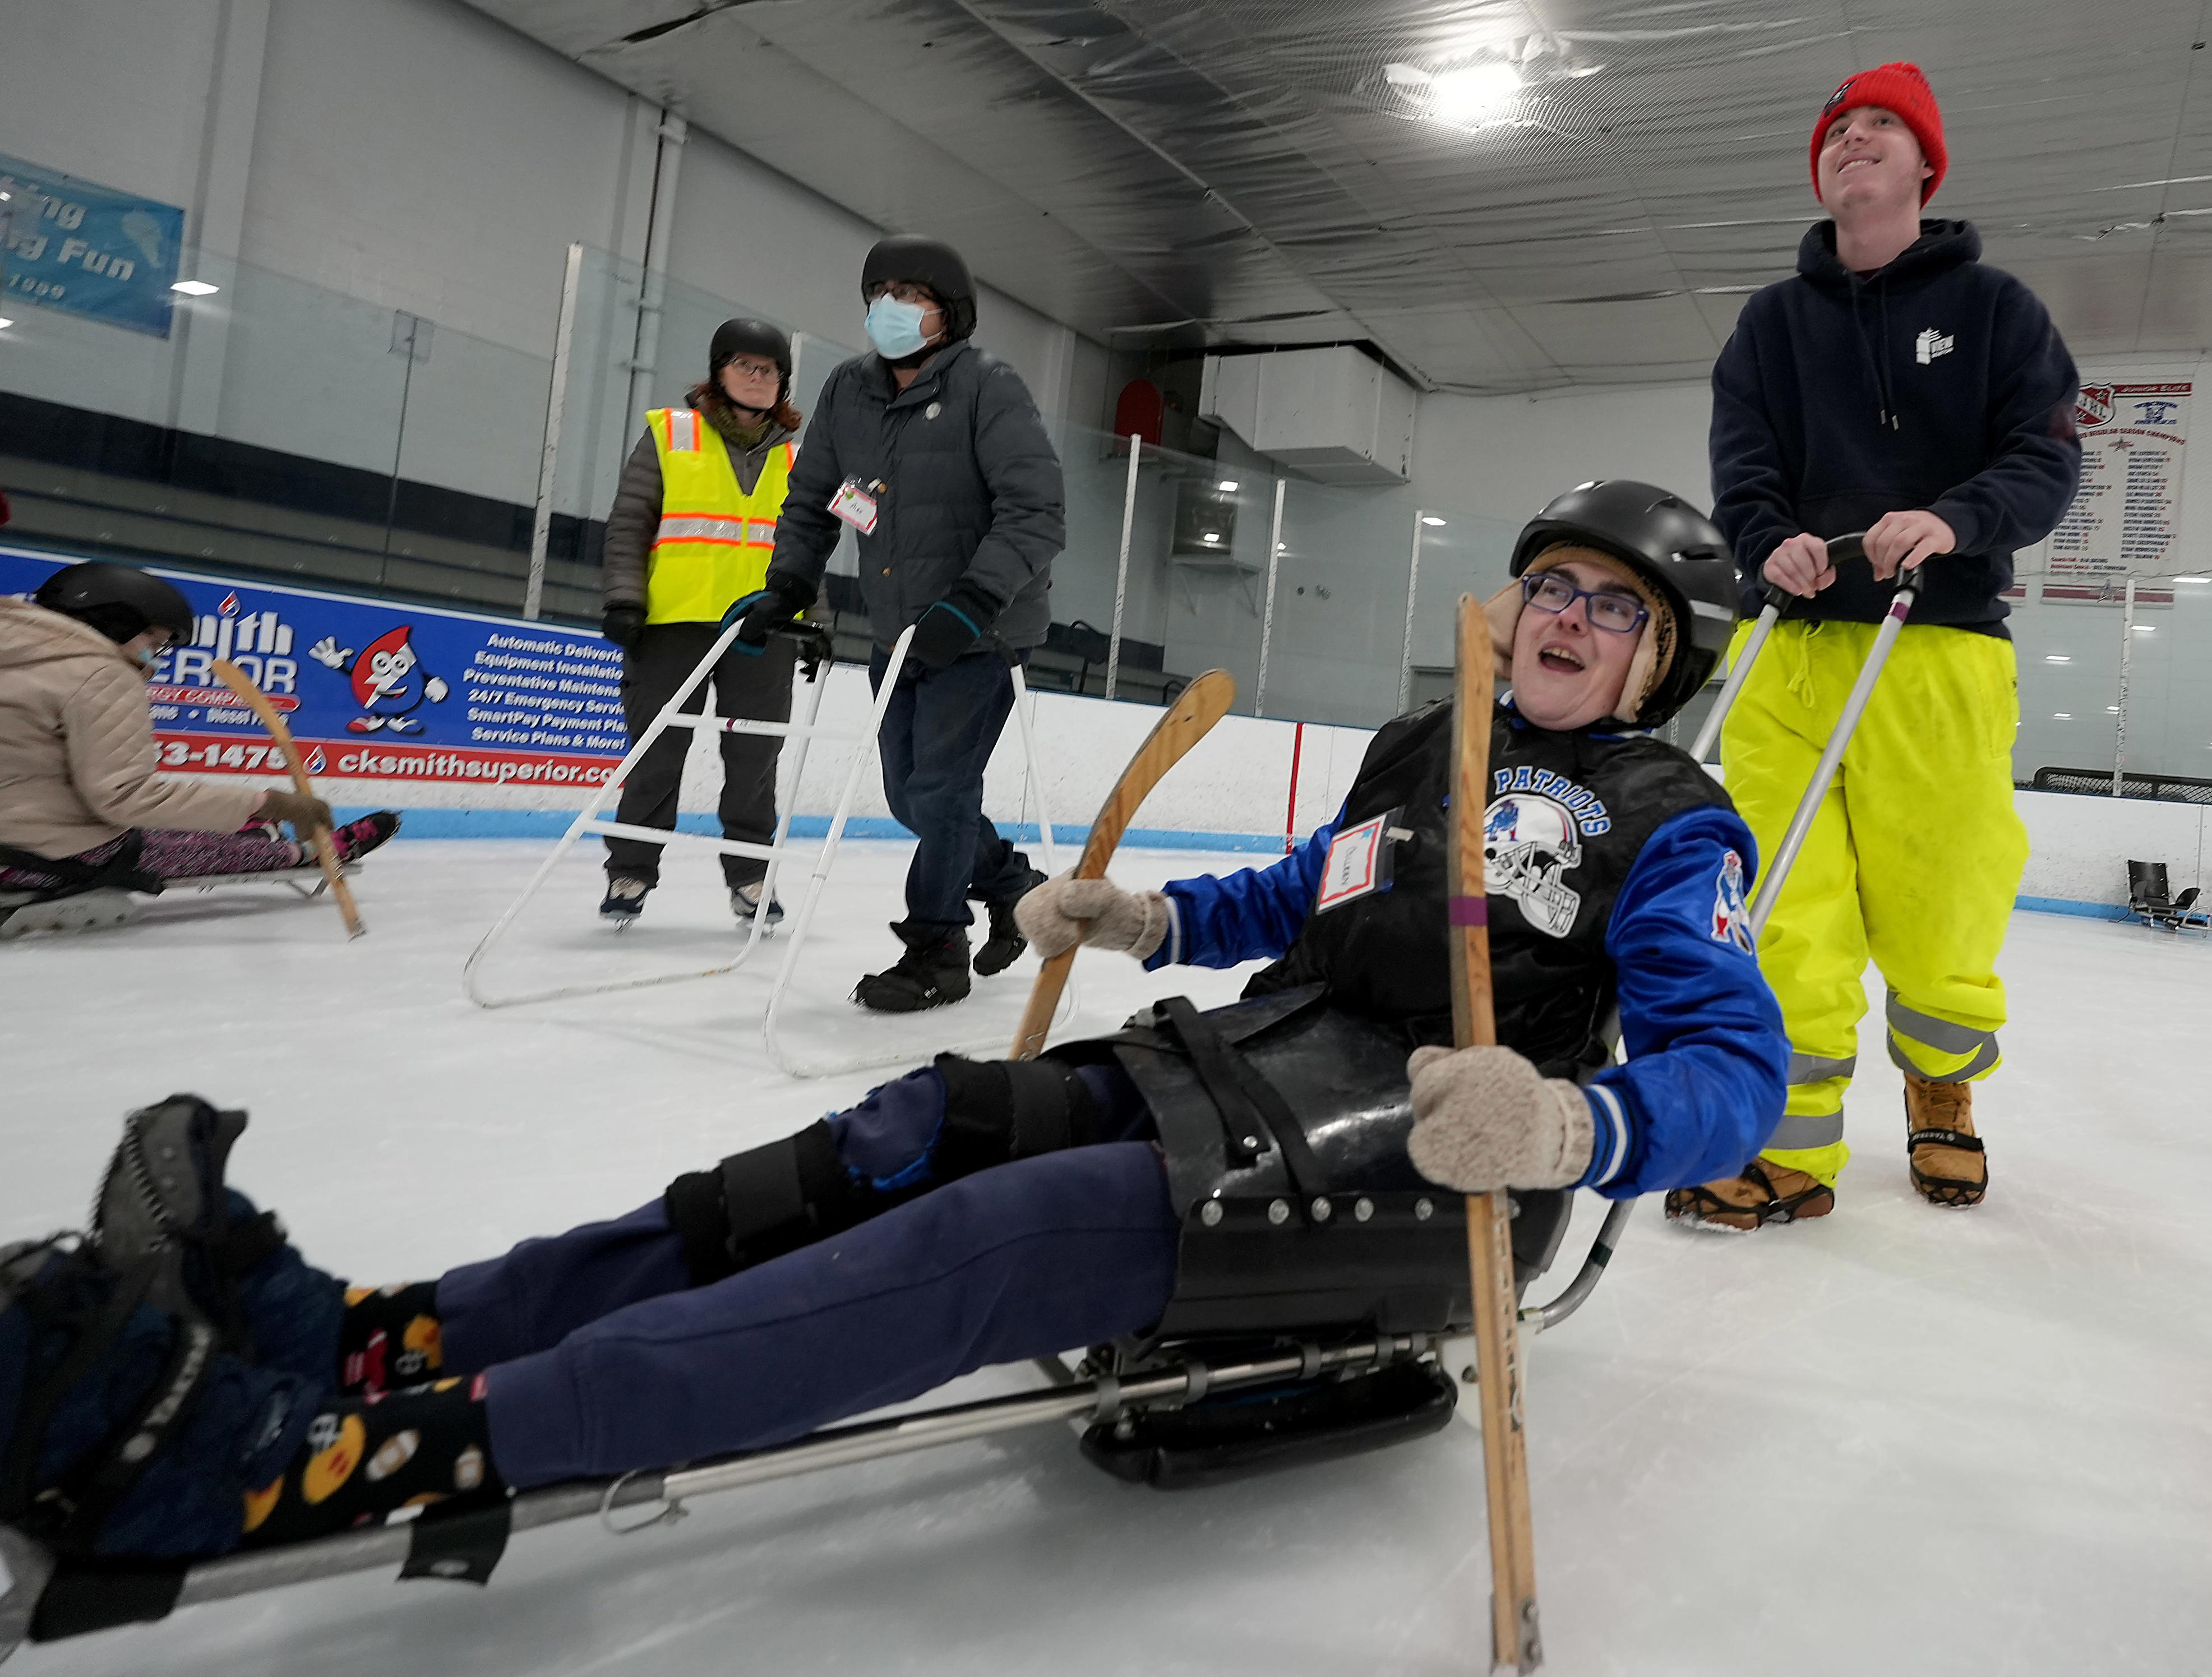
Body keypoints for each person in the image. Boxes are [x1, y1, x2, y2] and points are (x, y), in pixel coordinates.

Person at [0, 483, 1787, 1562]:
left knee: (972, 1242)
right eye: (1546, 585)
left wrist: (1567, 1128)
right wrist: (1149, 910)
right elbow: (1306, 901)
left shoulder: (1665, 819)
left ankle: (352, 1461)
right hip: (1237, 1078)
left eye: (1606, 606)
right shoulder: (1429, 750)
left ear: (1664, 655)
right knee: (890, 1138)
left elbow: (1733, 1074)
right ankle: (391, 1337)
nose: (1561, 616)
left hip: (1411, 1164)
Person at [1684, 62, 2082, 1232]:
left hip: (1941, 644)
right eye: (1835, 132)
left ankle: (1937, 1082)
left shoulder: (1997, 309)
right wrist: (1769, 545)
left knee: (1939, 894)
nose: (1851, 142)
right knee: (1786, 900)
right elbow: (1742, 469)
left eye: (1878, 129)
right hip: (1794, 649)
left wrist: (1955, 517)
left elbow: (2045, 456)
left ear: (1922, 166)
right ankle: (1792, 1137)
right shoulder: (1770, 323)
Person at [733, 234, 1064, 1011]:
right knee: (910, 796)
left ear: (950, 314)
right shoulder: (848, 390)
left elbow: (1036, 510)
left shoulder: (990, 387)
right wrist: (788, 584)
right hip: (897, 628)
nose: (893, 306)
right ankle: (1014, 883)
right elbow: (816, 499)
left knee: (944, 788)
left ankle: (935, 948)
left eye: (913, 294)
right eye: (881, 290)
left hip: (980, 631)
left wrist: (976, 600)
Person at [0, 562, 396, 935]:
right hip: (31, 858)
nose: (153, 658)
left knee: (145, 831)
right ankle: (308, 852)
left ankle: (246, 832)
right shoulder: (100, 674)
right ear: (115, 621)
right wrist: (271, 803)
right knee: (163, 846)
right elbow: (125, 795)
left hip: (22, 836)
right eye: (153, 642)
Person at [596, 319, 809, 928]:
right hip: (671, 624)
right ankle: (630, 871)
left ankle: (750, 876)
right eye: (745, 365)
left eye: (770, 370)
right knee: (657, 751)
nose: (757, 377)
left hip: (762, 631)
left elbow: (810, 547)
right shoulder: (672, 434)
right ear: (719, 370)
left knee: (755, 758)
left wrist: (809, 619)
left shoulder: (801, 457)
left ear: (783, 385)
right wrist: (623, 599)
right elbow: (630, 522)